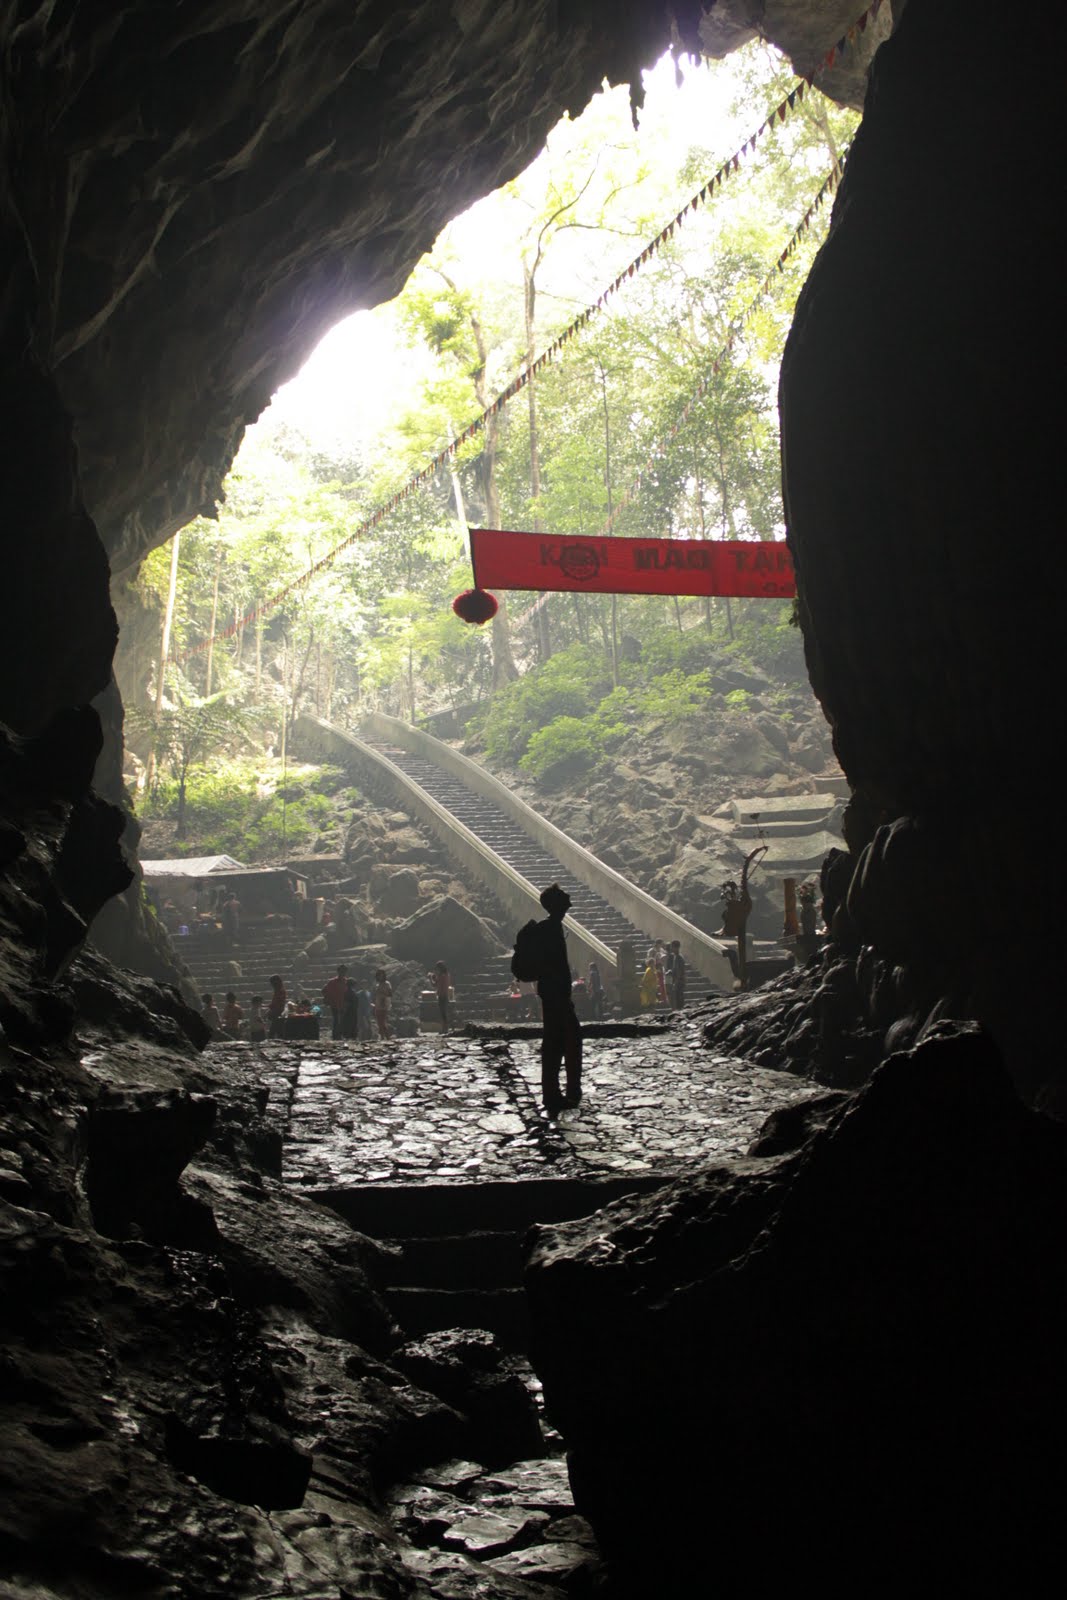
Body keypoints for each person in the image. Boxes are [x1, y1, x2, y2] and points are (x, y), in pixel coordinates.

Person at [532, 883, 582, 1117]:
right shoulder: (550, 929)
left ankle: (566, 1091)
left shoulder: (553, 927)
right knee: (559, 1042)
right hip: (555, 995)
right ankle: (557, 1094)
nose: (568, 896)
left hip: (556, 993)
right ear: (556, 904)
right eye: (563, 895)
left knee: (562, 1040)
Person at [323, 964, 349, 1040]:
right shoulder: (332, 982)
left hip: (343, 1005)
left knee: (342, 1021)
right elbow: (324, 990)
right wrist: (329, 999)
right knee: (336, 1020)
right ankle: (335, 1036)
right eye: (341, 971)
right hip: (334, 1004)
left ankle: (340, 1035)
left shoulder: (346, 981)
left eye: (344, 971)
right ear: (338, 972)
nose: (342, 973)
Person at [431, 961, 452, 1032]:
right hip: (445, 995)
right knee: (444, 1013)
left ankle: (445, 1029)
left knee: (443, 1013)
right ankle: (445, 1028)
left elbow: (434, 984)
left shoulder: (441, 976)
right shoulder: (446, 975)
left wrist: (431, 978)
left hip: (442, 995)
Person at [374, 967, 393, 1040]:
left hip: (384, 1004)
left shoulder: (387, 983)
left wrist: (383, 994)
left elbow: (390, 994)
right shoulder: (377, 984)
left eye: (381, 975)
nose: (380, 976)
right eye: (379, 975)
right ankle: (383, 1036)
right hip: (378, 1004)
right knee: (379, 1021)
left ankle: (386, 1036)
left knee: (382, 1020)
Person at [667, 940, 686, 1009]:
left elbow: (679, 972)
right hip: (677, 981)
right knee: (677, 999)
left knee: (679, 1000)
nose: (671, 948)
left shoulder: (679, 957)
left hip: (679, 982)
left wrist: (675, 983)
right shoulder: (675, 956)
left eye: (672, 947)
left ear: (676, 947)